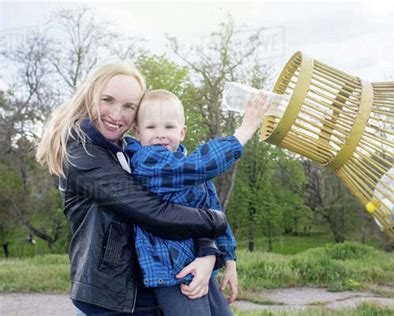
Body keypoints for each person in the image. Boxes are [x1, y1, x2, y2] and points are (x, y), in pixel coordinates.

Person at [36, 63, 228, 315]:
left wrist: (208, 251)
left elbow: (184, 198)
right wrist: (217, 220)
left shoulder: (132, 151)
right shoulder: (82, 153)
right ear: (90, 95)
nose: (117, 115)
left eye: (129, 107)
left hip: (151, 288)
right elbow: (154, 212)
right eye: (108, 100)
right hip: (111, 300)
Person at [124, 90, 269, 316]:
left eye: (169, 127)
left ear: (182, 132)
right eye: (151, 127)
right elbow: (199, 165)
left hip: (201, 263)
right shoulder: (148, 162)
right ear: (137, 132)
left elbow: (214, 214)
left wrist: (229, 259)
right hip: (173, 272)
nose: (160, 134)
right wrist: (246, 128)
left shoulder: (188, 167)